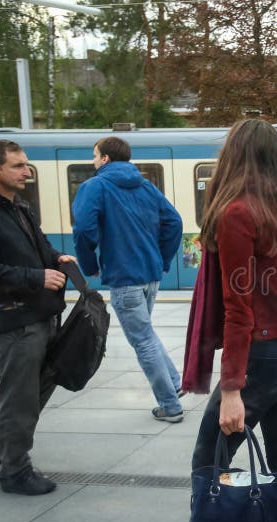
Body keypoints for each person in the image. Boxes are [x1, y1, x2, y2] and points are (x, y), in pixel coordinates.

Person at [188, 119, 277, 522]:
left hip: (263, 356)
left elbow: (238, 307)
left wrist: (231, 389)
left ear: (232, 154)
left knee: (208, 460)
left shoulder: (237, 212)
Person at [0, 139, 76, 495]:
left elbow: (38, 244)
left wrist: (55, 258)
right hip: (14, 321)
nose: (27, 171)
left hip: (39, 314)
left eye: (26, 164)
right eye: (18, 165)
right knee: (20, 399)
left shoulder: (16, 205)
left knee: (34, 392)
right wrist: (36, 277)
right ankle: (14, 472)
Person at [72, 136, 184, 422]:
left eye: (95, 156)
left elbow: (84, 228)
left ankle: (170, 406)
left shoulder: (95, 186)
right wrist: (162, 258)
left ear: (106, 158)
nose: (94, 161)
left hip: (125, 276)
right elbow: (174, 222)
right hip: (150, 275)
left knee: (142, 339)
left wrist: (89, 264)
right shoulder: (146, 186)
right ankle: (174, 383)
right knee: (146, 333)